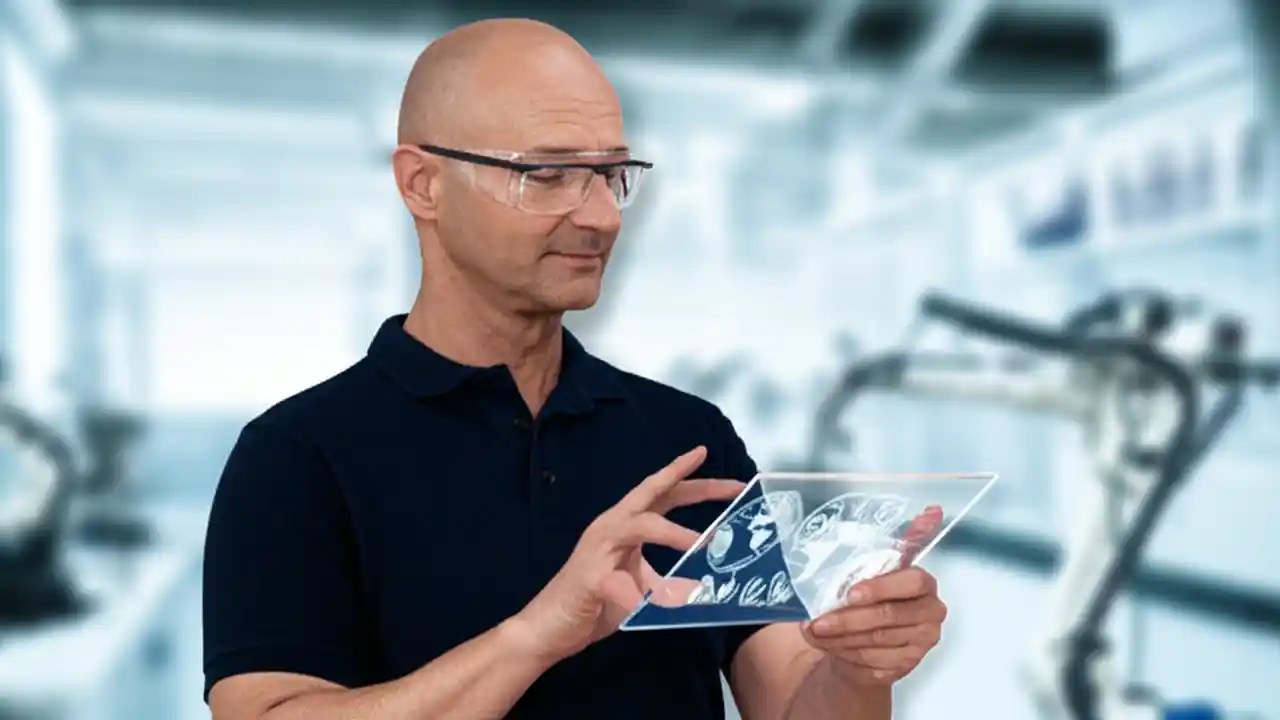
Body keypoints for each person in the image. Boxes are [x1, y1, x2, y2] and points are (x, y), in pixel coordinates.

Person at [203, 18, 947, 720]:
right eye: (549, 174)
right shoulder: (299, 456)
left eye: (610, 173)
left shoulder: (685, 439)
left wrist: (856, 666)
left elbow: (788, 698)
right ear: (423, 185)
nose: (602, 216)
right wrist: (538, 634)